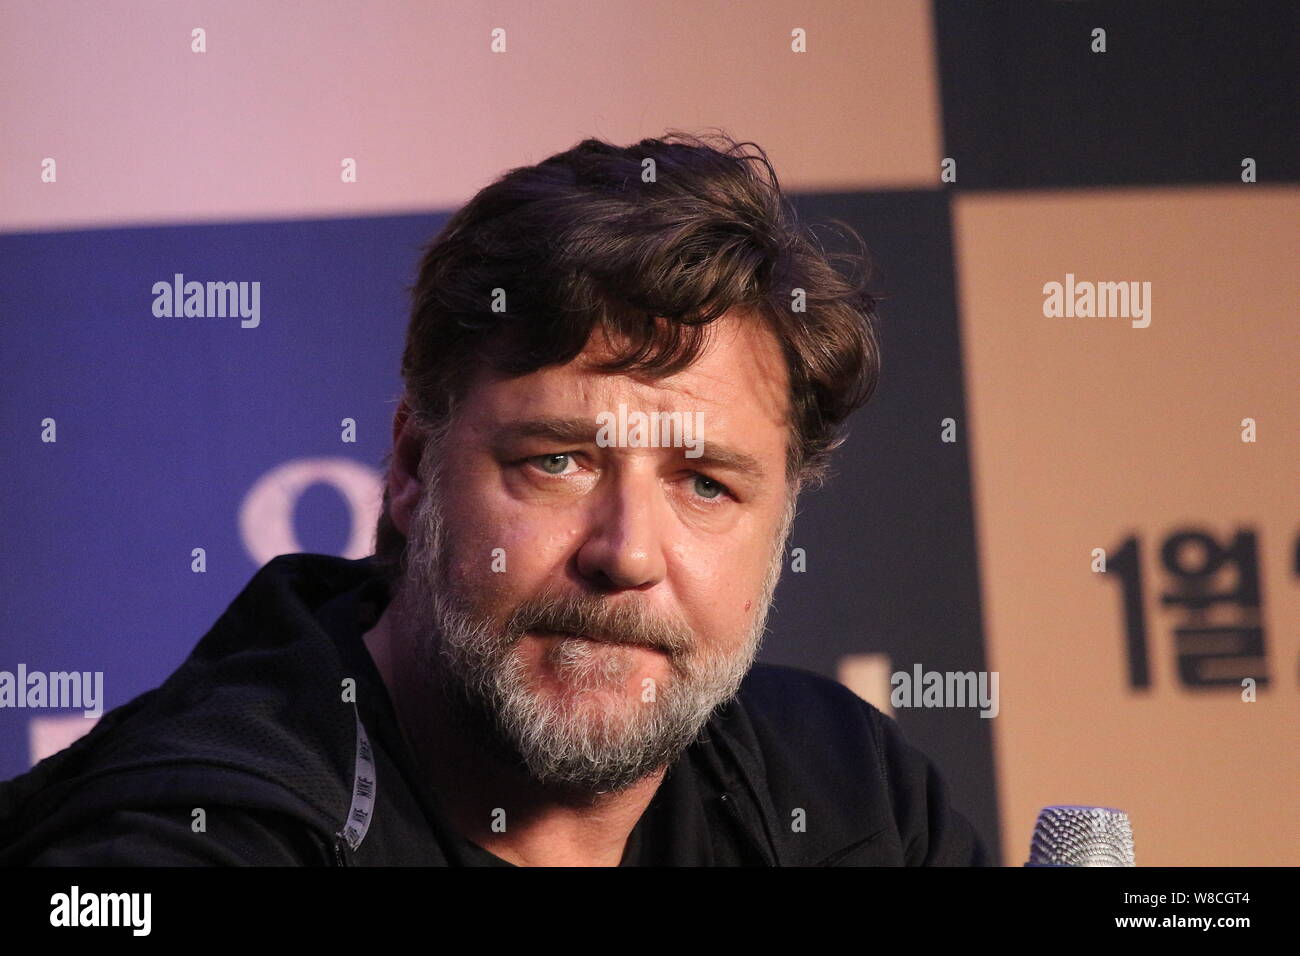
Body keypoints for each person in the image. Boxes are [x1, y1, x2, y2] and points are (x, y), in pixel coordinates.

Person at [0, 131, 989, 866]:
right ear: (411, 464)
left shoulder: (840, 788)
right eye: (559, 460)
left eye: (703, 482)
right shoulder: (196, 839)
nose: (627, 551)